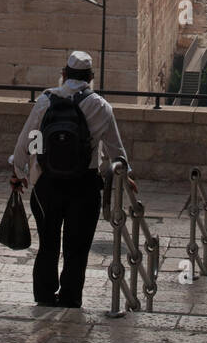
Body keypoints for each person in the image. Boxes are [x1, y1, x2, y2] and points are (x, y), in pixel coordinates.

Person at [8, 50, 132, 308]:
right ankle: (70, 298)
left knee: (48, 244)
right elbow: (115, 151)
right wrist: (126, 177)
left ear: (64, 74)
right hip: (84, 186)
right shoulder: (101, 107)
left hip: (47, 185)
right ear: (91, 77)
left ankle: (44, 297)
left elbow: (29, 140)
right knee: (77, 248)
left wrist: (19, 173)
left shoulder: (45, 101)